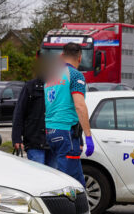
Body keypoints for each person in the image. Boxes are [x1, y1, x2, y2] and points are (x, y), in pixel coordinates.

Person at [44, 43, 94, 186]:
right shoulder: (75, 75)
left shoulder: (51, 77)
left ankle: (81, 207)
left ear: (61, 56)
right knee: (69, 185)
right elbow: (79, 106)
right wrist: (88, 137)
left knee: (77, 183)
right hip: (66, 132)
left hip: (51, 132)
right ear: (80, 57)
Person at [12, 50, 54, 166]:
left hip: (54, 141)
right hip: (34, 141)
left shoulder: (58, 86)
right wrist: (17, 139)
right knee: (39, 176)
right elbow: (19, 113)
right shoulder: (30, 87)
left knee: (55, 178)